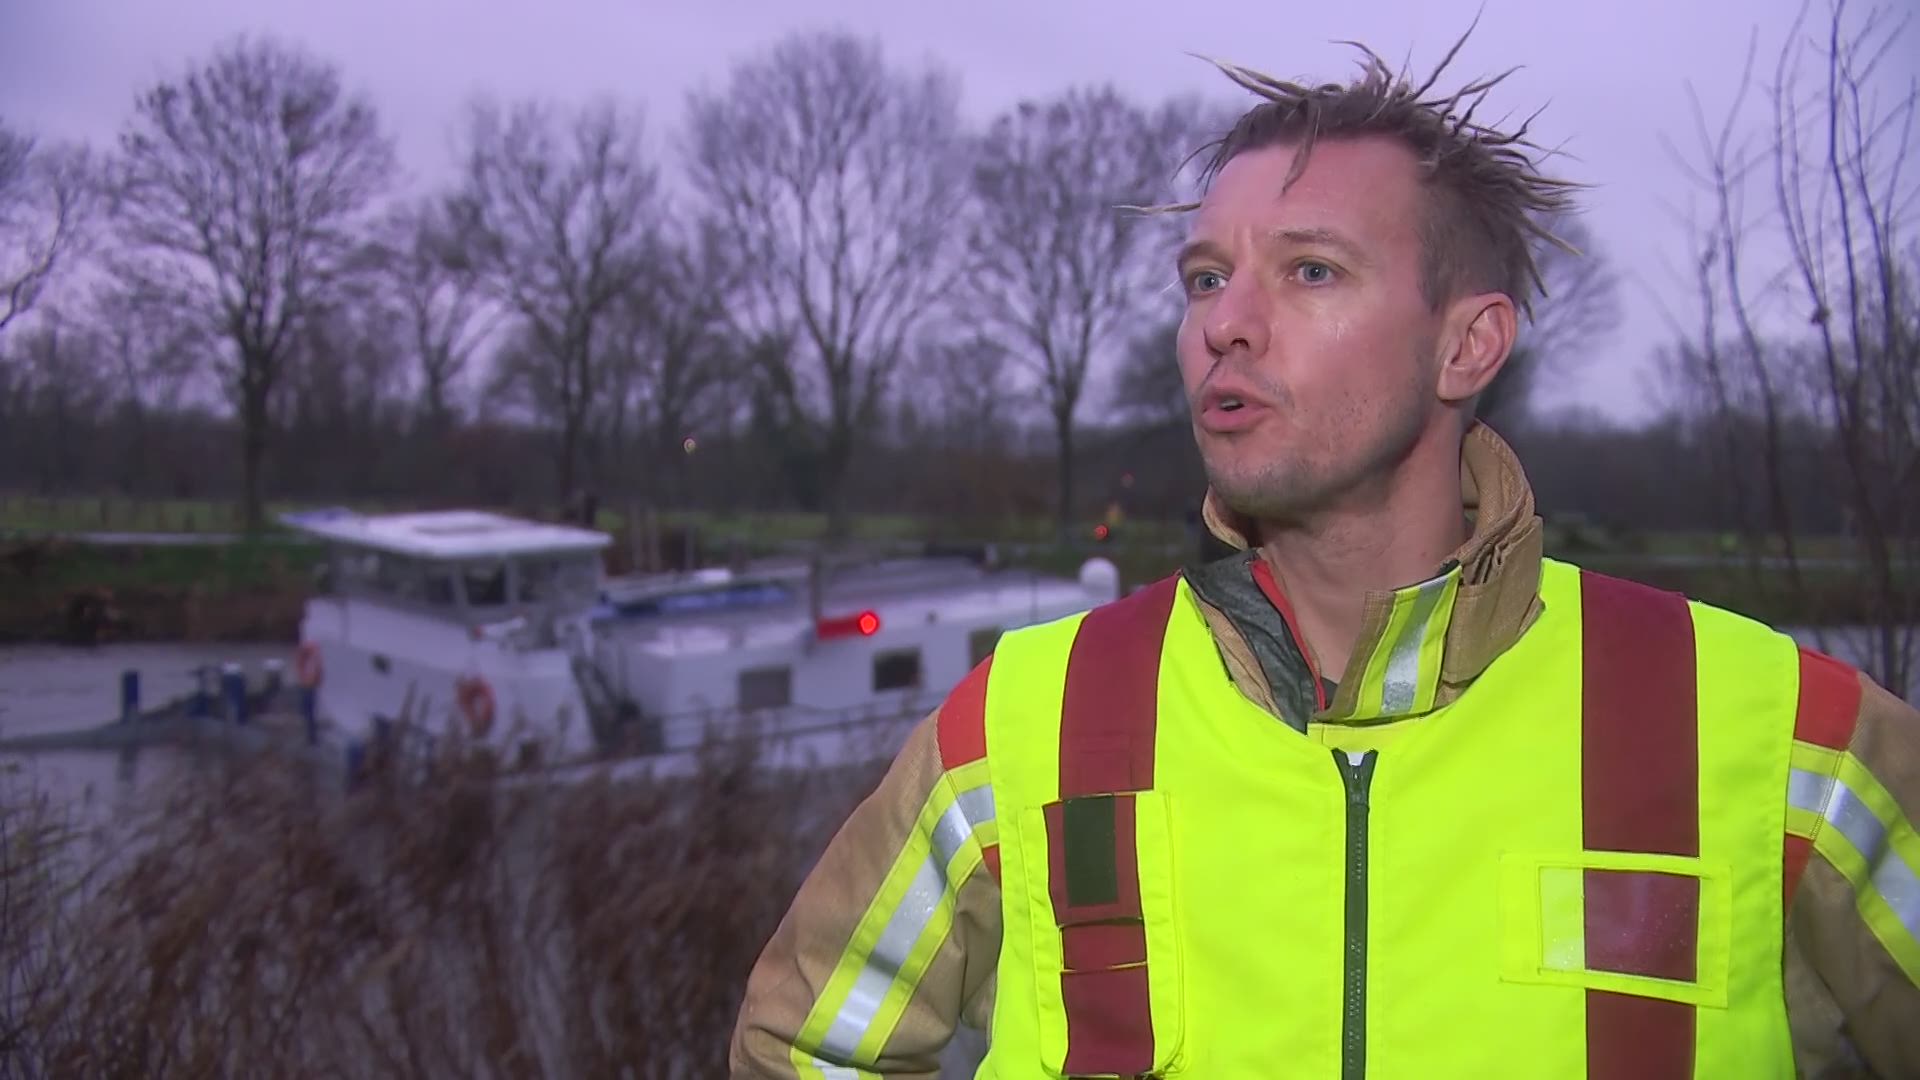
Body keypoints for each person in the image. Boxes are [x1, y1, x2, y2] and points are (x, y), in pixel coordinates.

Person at [730, 41, 1920, 1079]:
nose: (1223, 323)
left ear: (1467, 345)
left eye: (1310, 271)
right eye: (1206, 278)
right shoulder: (1022, 725)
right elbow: (808, 1045)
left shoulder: (1784, 741)